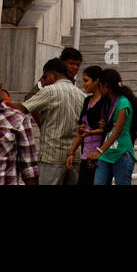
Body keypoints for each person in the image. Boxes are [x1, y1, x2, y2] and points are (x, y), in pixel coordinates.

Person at [22, 57, 84, 185]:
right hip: (75, 157)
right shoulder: (81, 94)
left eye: (45, 77)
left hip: (52, 157)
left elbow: (24, 108)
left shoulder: (49, 91)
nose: (45, 81)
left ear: (54, 74)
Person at [93, 68, 137, 186]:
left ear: (106, 86)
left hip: (121, 153)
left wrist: (100, 150)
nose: (98, 89)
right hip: (106, 153)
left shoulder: (123, 103)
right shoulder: (107, 103)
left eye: (99, 86)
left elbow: (117, 131)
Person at [65, 65, 113, 186]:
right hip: (85, 156)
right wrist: (71, 152)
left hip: (99, 156)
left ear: (97, 81)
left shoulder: (105, 102)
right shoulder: (87, 100)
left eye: (86, 81)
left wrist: (91, 132)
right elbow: (81, 130)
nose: (84, 84)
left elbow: (108, 129)